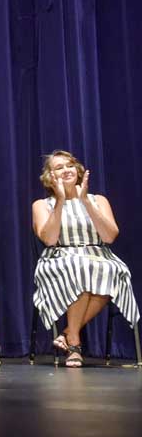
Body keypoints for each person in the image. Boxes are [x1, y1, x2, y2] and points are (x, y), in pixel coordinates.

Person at [32, 149, 139, 367]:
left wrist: (86, 203)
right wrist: (61, 201)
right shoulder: (42, 205)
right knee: (81, 267)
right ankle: (74, 343)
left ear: (78, 170)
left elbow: (109, 236)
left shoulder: (98, 200)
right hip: (59, 257)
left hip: (98, 255)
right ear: (50, 177)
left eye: (69, 165)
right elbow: (50, 240)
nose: (66, 170)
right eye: (59, 168)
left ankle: (68, 334)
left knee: (111, 270)